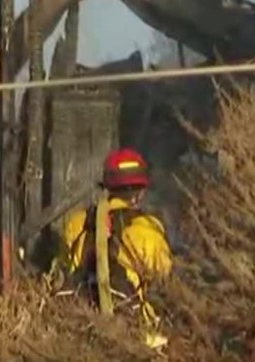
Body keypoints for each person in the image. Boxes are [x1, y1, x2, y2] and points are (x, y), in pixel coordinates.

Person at [57, 147, 173, 342]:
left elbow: (65, 266)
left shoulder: (77, 224)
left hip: (80, 328)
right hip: (134, 335)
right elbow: (164, 281)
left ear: (107, 187)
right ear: (141, 192)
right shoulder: (149, 230)